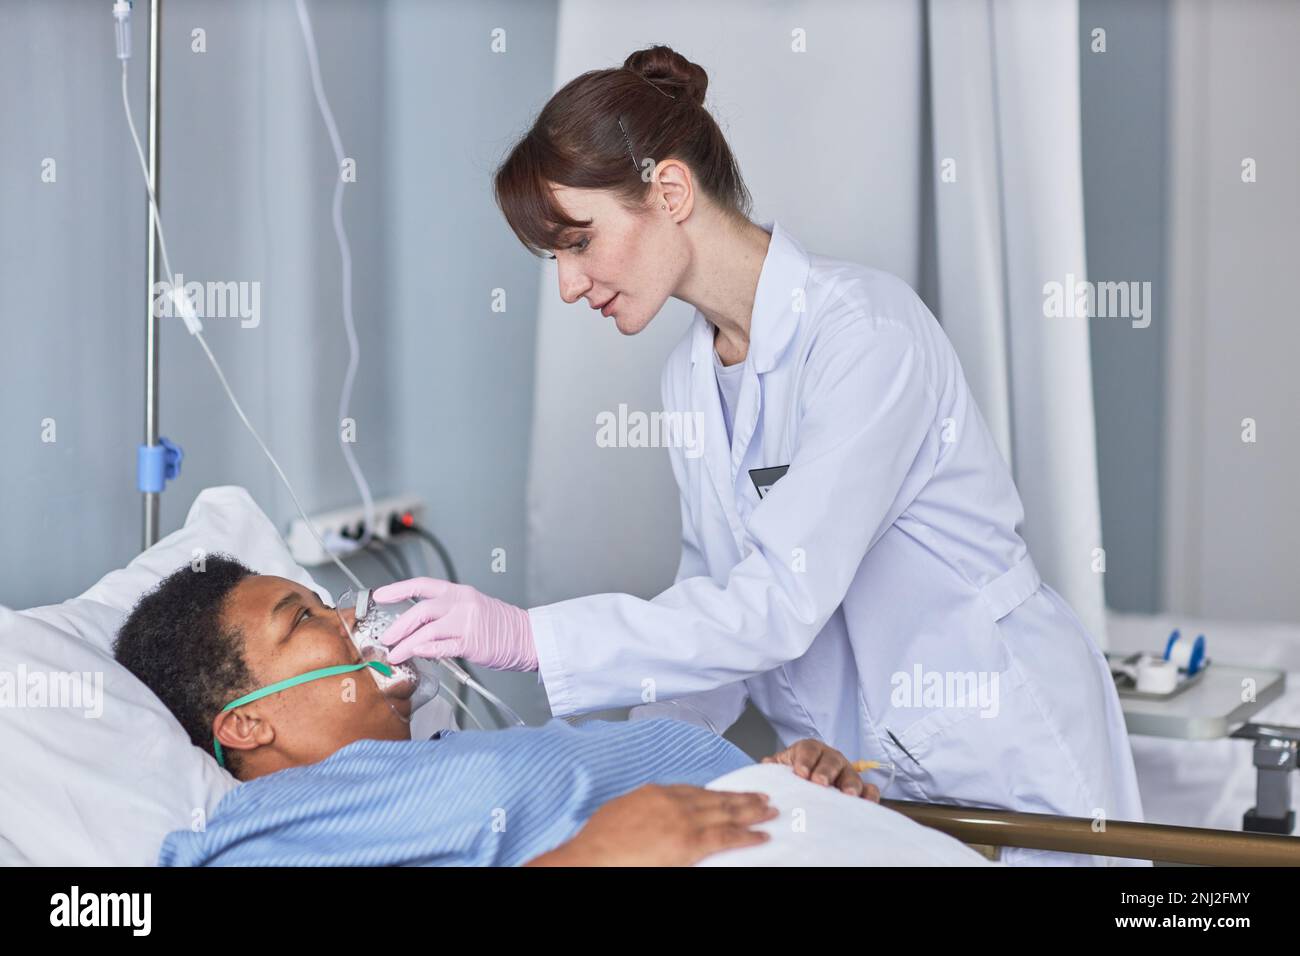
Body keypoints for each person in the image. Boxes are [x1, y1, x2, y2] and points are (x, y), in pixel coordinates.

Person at [374, 44, 1145, 865]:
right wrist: (613, 773)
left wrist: (530, 638)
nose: (568, 285)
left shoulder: (866, 337)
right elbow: (714, 609)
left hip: (1003, 746)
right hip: (868, 776)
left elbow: (778, 602)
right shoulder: (690, 376)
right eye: (553, 258)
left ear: (669, 191)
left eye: (578, 242)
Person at [113, 556, 879, 866]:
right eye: (304, 620)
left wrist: (781, 782)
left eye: (327, 602)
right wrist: (589, 860)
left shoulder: (443, 756)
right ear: (245, 723)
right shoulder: (269, 828)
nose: (351, 618)